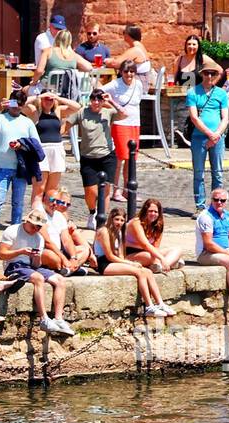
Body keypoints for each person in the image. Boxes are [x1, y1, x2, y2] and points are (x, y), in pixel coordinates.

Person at [0, 207, 75, 334]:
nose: (36, 230)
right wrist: (21, 251)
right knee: (38, 278)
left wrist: (36, 257)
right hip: (13, 265)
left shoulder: (39, 238)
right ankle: (44, 318)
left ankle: (58, 319)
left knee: (60, 280)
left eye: (39, 227)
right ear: (26, 222)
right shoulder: (12, 231)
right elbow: (1, 254)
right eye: (34, 226)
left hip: (29, 266)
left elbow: (36, 265)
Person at [91, 207, 174, 317]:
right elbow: (110, 256)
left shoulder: (119, 232)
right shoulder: (104, 231)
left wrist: (128, 263)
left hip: (114, 262)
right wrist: (130, 264)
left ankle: (160, 303)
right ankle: (149, 307)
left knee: (147, 271)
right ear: (111, 218)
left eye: (122, 220)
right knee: (139, 272)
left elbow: (121, 255)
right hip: (104, 263)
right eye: (117, 219)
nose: (119, 223)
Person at [0, 96, 39, 241]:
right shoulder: (1, 118)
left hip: (20, 168)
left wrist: (22, 145)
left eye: (20, 104)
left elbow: (36, 143)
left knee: (18, 204)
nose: (17, 107)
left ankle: (15, 236)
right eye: (14, 103)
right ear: (8, 103)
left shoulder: (27, 122)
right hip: (2, 167)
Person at [64, 88, 117, 230]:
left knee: (106, 189)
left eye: (99, 99)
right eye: (93, 99)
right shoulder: (82, 112)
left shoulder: (109, 112)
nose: (96, 102)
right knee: (90, 190)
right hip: (88, 156)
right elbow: (66, 125)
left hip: (107, 155)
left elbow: (124, 114)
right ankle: (92, 212)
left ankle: (102, 218)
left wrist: (111, 101)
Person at [23, 91, 79, 210]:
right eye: (46, 99)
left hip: (56, 149)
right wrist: (38, 96)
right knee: (39, 188)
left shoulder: (58, 111)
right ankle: (37, 213)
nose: (48, 101)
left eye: (51, 99)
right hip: (41, 150)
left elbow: (77, 107)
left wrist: (58, 98)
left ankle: (49, 212)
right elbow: (21, 104)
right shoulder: (35, 112)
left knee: (52, 189)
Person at [187, 66, 229, 213]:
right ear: (201, 74)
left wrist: (216, 134)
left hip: (217, 138)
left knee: (217, 173)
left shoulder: (221, 94)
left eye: (213, 74)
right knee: (198, 173)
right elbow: (194, 117)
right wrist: (209, 134)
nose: (209, 76)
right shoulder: (193, 92)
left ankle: (217, 204)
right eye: (206, 73)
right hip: (199, 137)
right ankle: (200, 205)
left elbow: (225, 118)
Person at [105, 61, 144, 204]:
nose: (129, 74)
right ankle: (115, 190)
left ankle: (128, 190)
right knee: (120, 158)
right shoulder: (115, 84)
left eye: (132, 71)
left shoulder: (138, 85)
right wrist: (112, 106)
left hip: (134, 123)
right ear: (121, 72)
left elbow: (137, 101)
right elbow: (99, 92)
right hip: (120, 124)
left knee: (131, 158)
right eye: (126, 71)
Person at [124, 197, 183, 272]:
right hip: (129, 254)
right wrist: (162, 258)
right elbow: (145, 245)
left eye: (155, 212)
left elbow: (156, 247)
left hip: (147, 252)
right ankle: (167, 263)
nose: (153, 214)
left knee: (178, 249)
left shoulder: (158, 225)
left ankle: (160, 266)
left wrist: (160, 258)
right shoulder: (136, 222)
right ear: (145, 211)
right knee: (150, 257)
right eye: (150, 211)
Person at [39, 188, 89, 274]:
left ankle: (68, 269)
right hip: (45, 251)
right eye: (52, 200)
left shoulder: (59, 216)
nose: (54, 203)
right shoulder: (40, 215)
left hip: (59, 252)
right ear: (44, 200)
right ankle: (71, 268)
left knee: (84, 250)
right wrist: (64, 258)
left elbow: (66, 240)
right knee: (52, 257)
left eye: (57, 201)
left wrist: (73, 257)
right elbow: (47, 242)